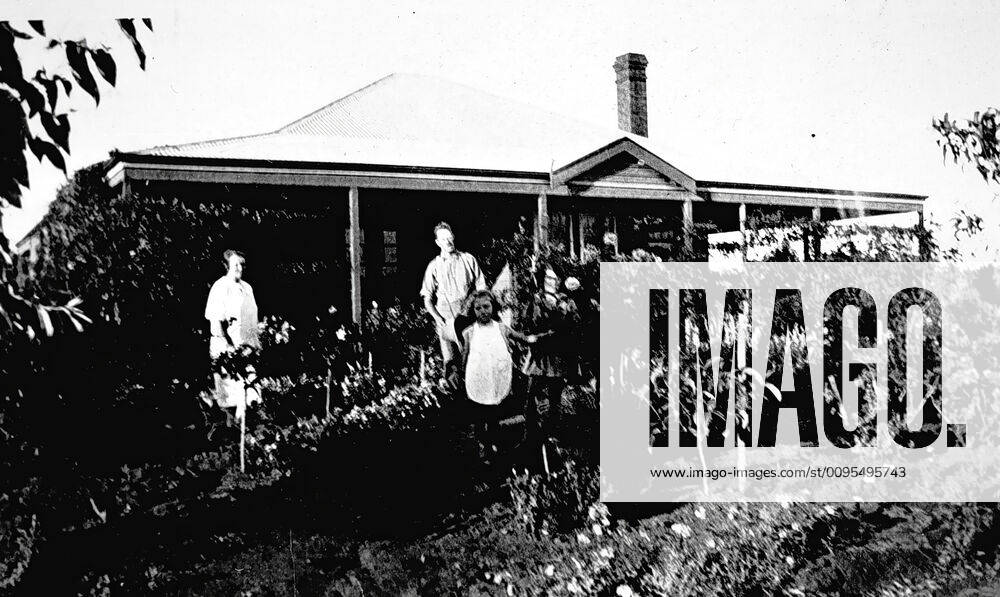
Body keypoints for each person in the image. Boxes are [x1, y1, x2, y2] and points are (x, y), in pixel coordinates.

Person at [460, 289, 534, 463]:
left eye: (486, 306)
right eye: (478, 308)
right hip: (478, 378)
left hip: (496, 377)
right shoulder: (470, 332)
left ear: (493, 306)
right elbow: (465, 355)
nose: (483, 311)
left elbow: (521, 337)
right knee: (479, 416)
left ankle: (493, 445)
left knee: (493, 413)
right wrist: (463, 375)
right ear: (473, 310)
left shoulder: (501, 328)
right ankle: (483, 446)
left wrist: (534, 338)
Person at [420, 222, 487, 385]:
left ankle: (476, 394)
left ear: (454, 237)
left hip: (467, 314)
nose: (448, 242)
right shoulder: (434, 266)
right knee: (450, 362)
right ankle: (454, 395)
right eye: (443, 239)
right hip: (445, 317)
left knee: (472, 357)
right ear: (437, 243)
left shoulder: (468, 259)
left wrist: (477, 308)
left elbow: (482, 287)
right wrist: (438, 319)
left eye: (449, 238)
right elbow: (427, 299)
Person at [204, 249, 261, 417]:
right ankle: (224, 428)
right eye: (235, 264)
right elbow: (216, 323)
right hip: (227, 350)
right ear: (227, 265)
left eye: (241, 264)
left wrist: (253, 345)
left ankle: (246, 429)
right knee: (228, 400)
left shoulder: (247, 288)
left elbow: (252, 320)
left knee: (250, 399)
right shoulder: (220, 287)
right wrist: (230, 348)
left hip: (247, 348)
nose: (239, 268)